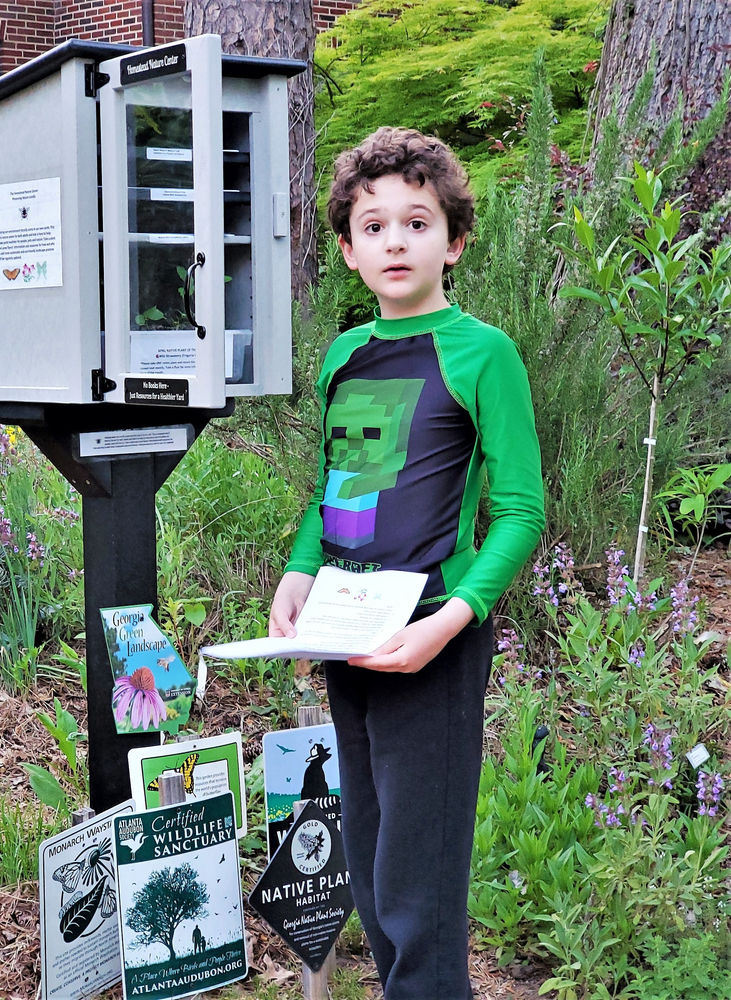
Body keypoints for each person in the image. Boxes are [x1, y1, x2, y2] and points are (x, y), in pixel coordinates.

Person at [269, 126, 545, 999]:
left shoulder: (482, 353)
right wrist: (298, 570)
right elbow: (337, 489)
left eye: (417, 222)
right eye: (374, 225)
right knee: (373, 860)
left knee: (420, 891)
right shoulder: (344, 357)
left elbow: (521, 511)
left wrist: (450, 619)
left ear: (453, 240)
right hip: (345, 630)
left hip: (431, 635)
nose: (396, 239)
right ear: (348, 252)